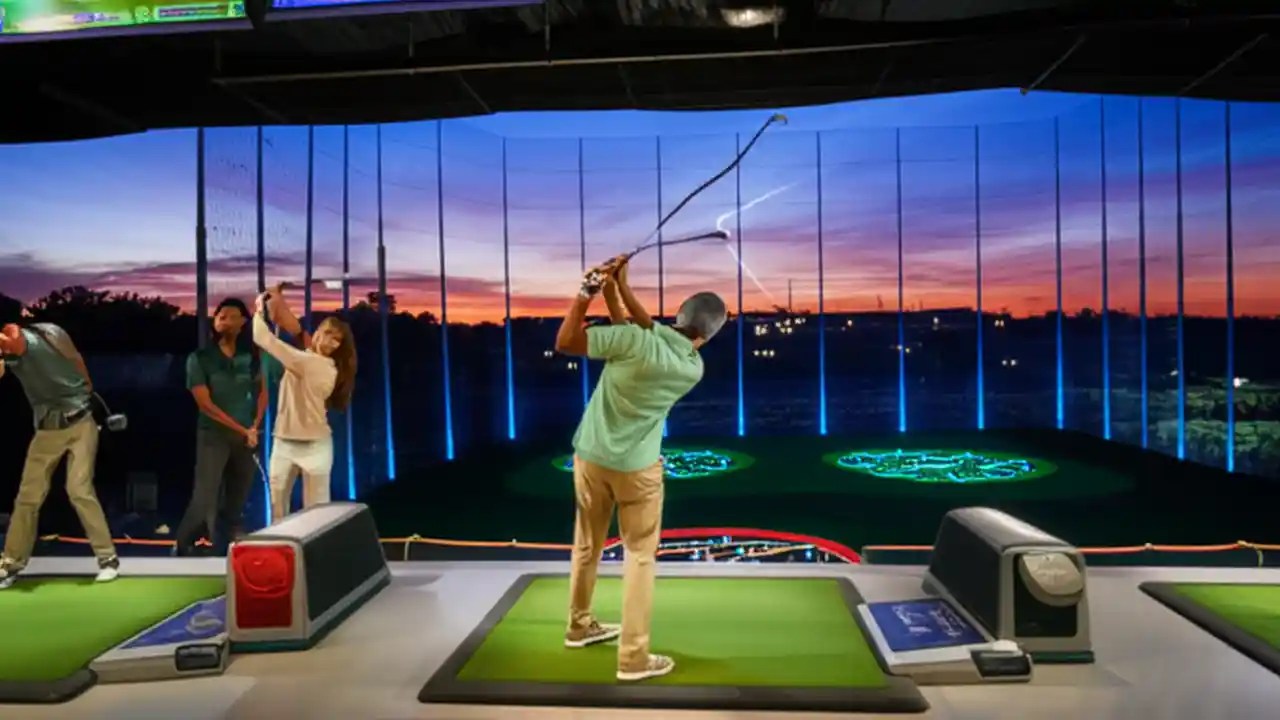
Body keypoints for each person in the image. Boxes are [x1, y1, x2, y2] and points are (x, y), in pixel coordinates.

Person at [554, 254, 727, 682]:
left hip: (591, 458)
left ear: (679, 317)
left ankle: (578, 625)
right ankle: (632, 658)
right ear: (708, 334)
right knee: (639, 558)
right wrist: (617, 288)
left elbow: (568, 342)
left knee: (587, 545)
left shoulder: (635, 340)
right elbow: (643, 329)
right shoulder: (691, 367)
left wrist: (587, 294)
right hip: (637, 470)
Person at [0, 322, 119, 589]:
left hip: (80, 423)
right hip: (46, 431)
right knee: (27, 497)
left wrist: (87, 392)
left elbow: (75, 357)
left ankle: (107, 559)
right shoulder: (7, 354)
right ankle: (10, 564)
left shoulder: (48, 334)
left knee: (78, 489)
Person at [173, 298, 268, 556]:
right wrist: (240, 429)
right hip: (213, 435)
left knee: (238, 494)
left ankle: (224, 547)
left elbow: (263, 393)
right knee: (205, 493)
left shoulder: (252, 357)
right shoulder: (201, 358)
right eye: (219, 316)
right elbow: (204, 403)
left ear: (242, 323)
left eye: (229, 316)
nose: (223, 320)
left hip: (247, 436)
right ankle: (184, 544)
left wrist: (254, 426)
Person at [253, 287, 356, 523]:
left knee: (316, 518)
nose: (330, 342)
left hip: (315, 447)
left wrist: (260, 308)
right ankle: (284, 557)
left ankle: (316, 559)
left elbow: (263, 338)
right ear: (318, 332)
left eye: (337, 339)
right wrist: (278, 301)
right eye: (327, 333)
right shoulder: (310, 357)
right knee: (278, 512)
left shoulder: (313, 363)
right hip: (284, 442)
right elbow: (297, 329)